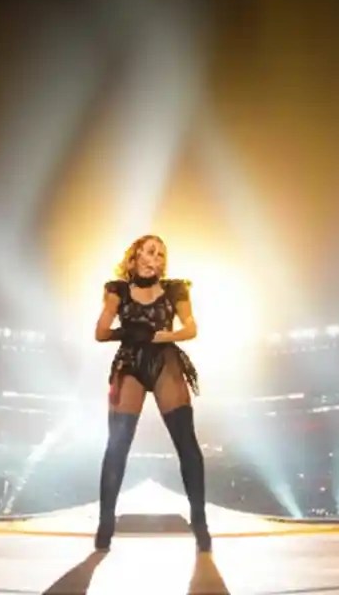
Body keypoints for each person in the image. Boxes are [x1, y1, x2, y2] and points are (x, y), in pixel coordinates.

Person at [93, 234, 210, 552]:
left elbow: (191, 328)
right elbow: (100, 332)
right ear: (133, 258)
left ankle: (199, 519)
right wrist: (126, 332)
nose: (155, 258)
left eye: (160, 254)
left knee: (186, 441)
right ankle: (105, 522)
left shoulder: (175, 289)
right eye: (149, 252)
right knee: (117, 445)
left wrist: (159, 336)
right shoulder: (116, 290)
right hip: (130, 361)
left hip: (164, 359)